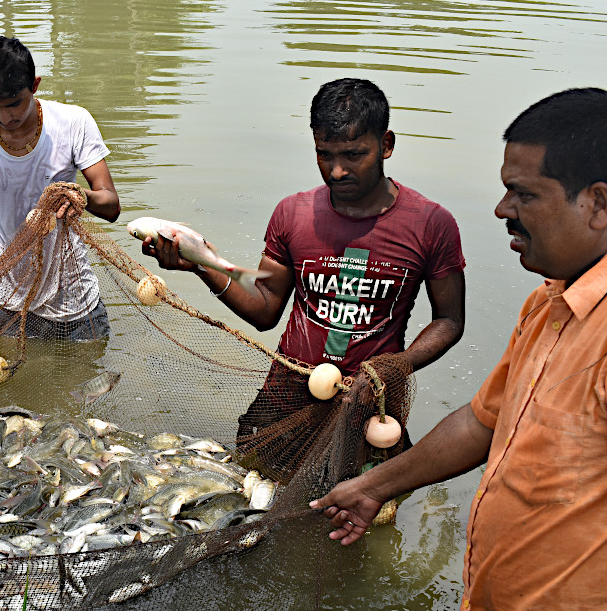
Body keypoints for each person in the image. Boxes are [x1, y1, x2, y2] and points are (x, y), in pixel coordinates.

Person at [312, 87, 607, 611]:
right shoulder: (549, 304)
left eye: (525, 194)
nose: (502, 209)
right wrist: (376, 486)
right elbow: (481, 422)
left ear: (598, 202)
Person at [143, 78, 465, 433]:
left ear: (386, 145)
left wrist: (396, 366)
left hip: (370, 403)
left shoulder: (431, 224)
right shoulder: (293, 213)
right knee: (250, 476)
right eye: (324, 154)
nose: (337, 171)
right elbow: (266, 310)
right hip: (287, 392)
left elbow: (449, 320)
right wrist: (201, 265)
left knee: (361, 488)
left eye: (354, 155)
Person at [0, 35, 121, 341]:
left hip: (76, 303)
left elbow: (111, 205)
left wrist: (82, 197)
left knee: (90, 383)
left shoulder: (73, 122)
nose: (5, 117)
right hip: (9, 305)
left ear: (35, 85)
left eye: (15, 104)